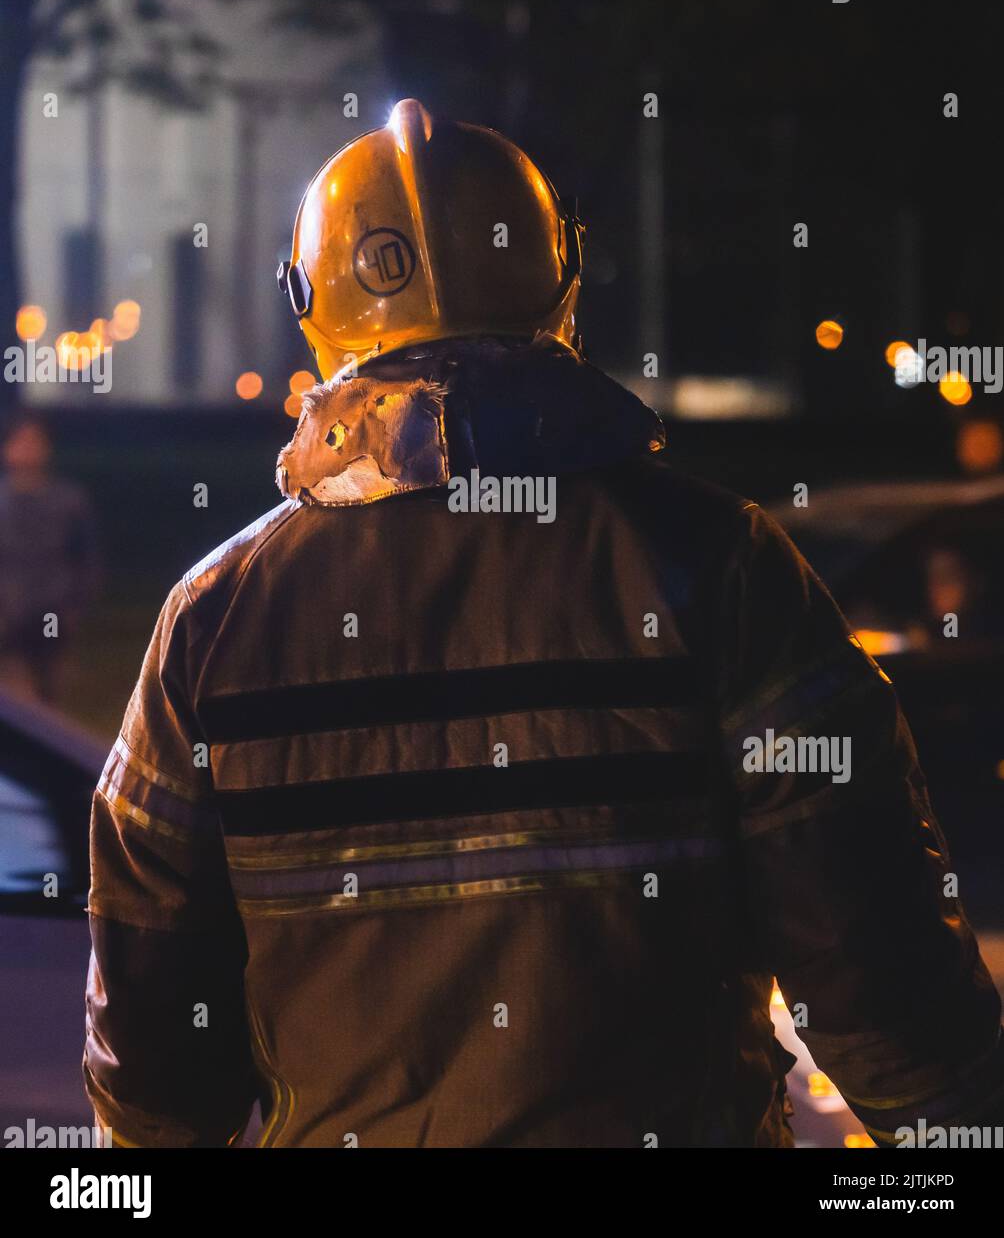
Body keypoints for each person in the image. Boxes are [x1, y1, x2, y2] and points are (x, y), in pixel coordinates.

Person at [84, 100, 1003, 1148]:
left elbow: (152, 1054)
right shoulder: (717, 566)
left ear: (309, 305)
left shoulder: (213, 622)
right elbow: (874, 969)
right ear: (560, 280)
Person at [0, 413, 98, 704]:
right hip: (9, 622)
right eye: (20, 441)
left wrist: (73, 609)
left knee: (51, 708)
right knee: (20, 707)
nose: (28, 449)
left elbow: (86, 559)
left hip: (54, 619)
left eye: (35, 442)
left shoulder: (69, 501)